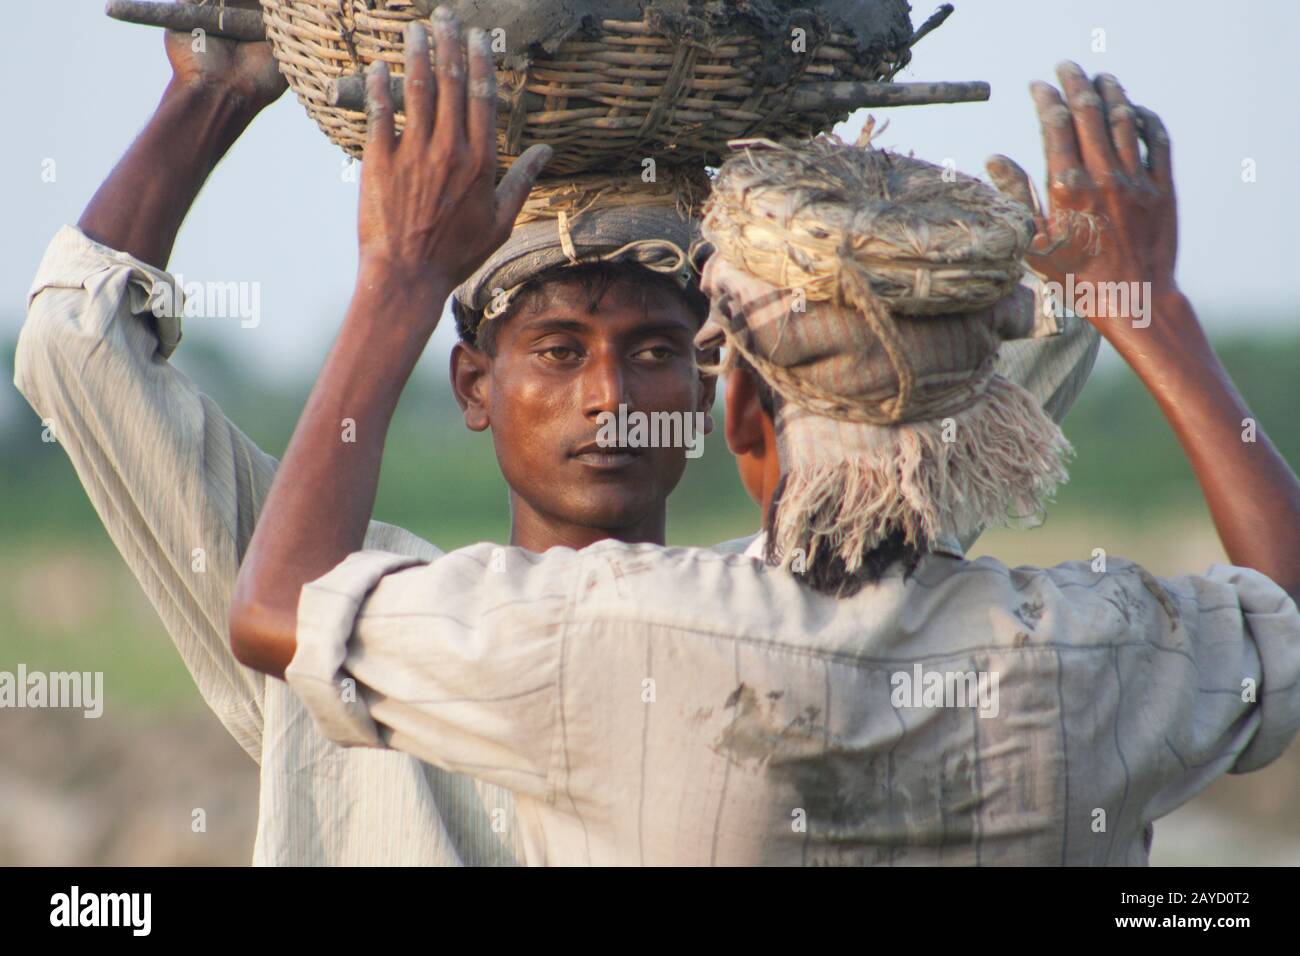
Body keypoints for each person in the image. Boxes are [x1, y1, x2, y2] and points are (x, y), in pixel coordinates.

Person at [14, 8, 1089, 864]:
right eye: (561, 351)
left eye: (656, 350)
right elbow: (75, 351)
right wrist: (206, 98)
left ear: (719, 383)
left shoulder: (795, 614)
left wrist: (1019, 272)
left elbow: (959, 402)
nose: (610, 394)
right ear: (474, 385)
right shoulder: (342, 598)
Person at [227, 21, 1300, 865]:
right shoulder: (1100, 651)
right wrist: (1149, 309)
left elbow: (276, 608)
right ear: (979, 423)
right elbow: (1283, 610)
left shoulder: (609, 637)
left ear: (736, 413)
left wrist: (398, 276)